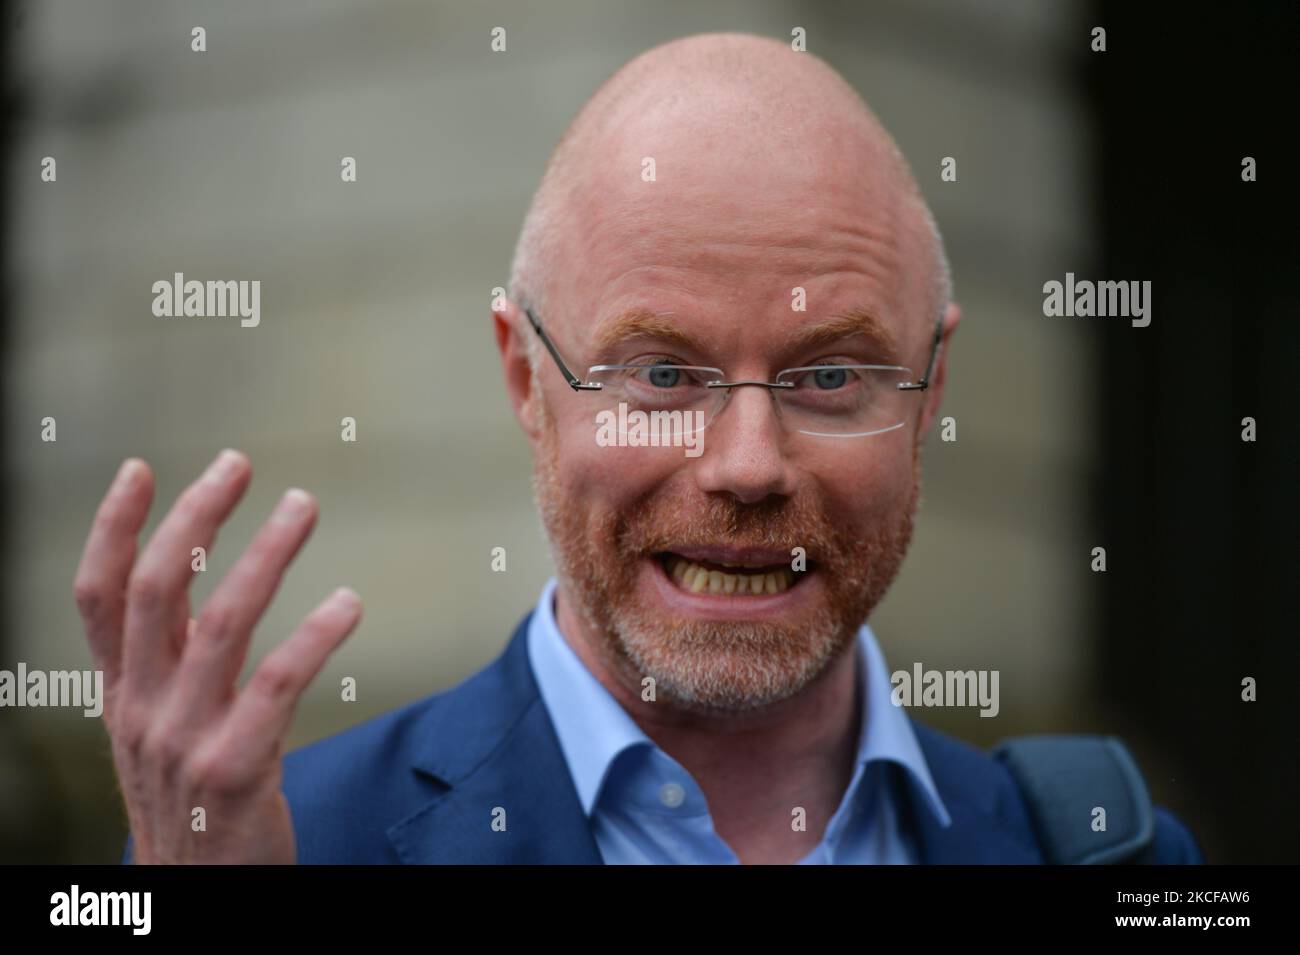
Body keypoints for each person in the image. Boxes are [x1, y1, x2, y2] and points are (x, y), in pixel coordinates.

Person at [77, 32, 1201, 864]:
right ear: (527, 379)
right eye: (663, 374)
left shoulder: (1112, 852)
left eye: (828, 377)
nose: (748, 464)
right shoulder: (269, 847)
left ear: (931, 390)